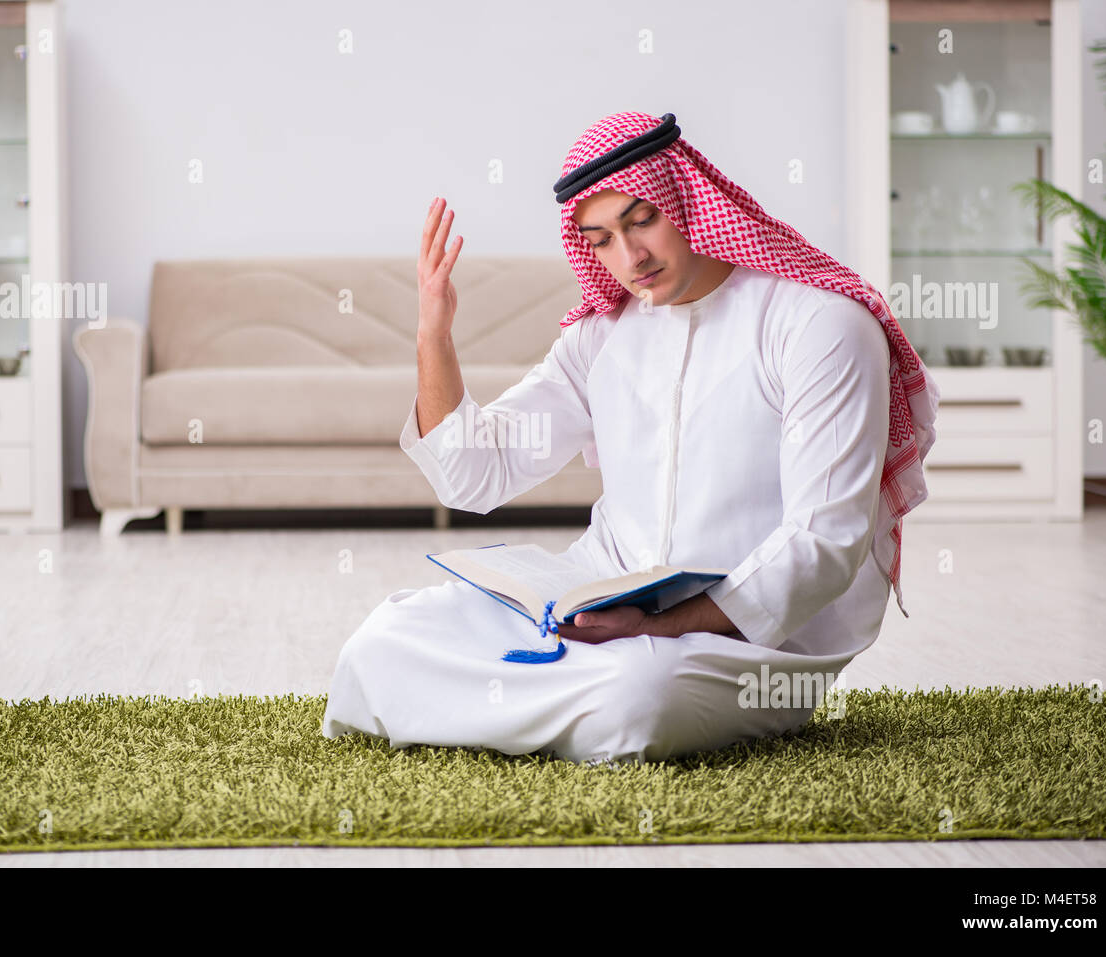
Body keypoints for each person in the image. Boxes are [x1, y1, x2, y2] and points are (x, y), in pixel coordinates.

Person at [321, 111, 940, 764]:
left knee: (637, 696)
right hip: (595, 609)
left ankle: (503, 702)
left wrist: (661, 625)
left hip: (746, 645)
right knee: (384, 640)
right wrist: (433, 337)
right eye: (601, 240)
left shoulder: (818, 326)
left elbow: (824, 543)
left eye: (642, 220)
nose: (630, 258)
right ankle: (550, 697)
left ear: (686, 198)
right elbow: (476, 473)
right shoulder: (604, 335)